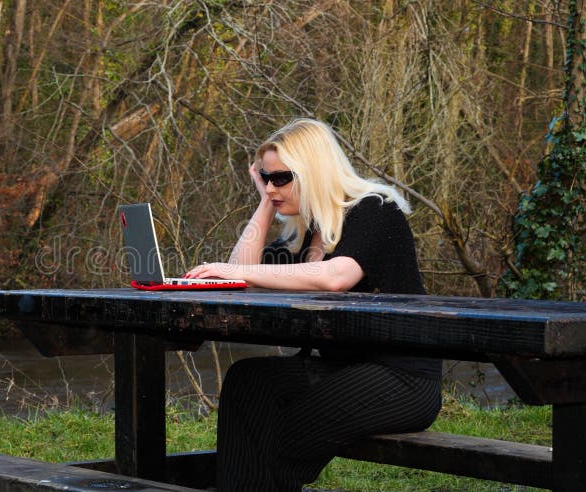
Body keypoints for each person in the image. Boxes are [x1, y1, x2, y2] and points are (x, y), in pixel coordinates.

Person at [183, 118, 442, 491]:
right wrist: (265, 205)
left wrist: (227, 269)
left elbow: (336, 277)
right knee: (246, 382)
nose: (272, 187)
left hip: (402, 376)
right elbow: (239, 275)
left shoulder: (375, 211)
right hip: (339, 369)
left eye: (281, 178)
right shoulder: (307, 235)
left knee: (284, 437)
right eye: (266, 178)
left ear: (313, 172)